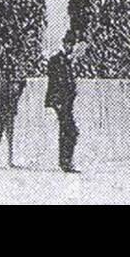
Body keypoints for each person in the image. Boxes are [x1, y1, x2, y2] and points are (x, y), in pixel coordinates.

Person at [45, 31, 83, 173]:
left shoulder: (68, 62)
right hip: (60, 103)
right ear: (64, 43)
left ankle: (66, 161)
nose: (70, 47)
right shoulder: (56, 60)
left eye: (72, 44)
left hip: (67, 103)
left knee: (69, 132)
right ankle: (65, 162)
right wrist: (54, 102)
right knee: (69, 131)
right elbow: (53, 83)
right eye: (68, 44)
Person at [0, 75, 26, 169]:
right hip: (2, 111)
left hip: (7, 111)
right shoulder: (3, 84)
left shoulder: (7, 85)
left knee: (7, 136)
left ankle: (4, 160)